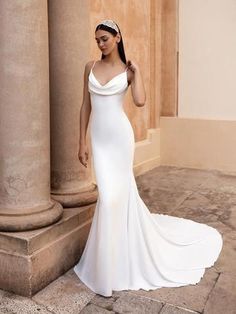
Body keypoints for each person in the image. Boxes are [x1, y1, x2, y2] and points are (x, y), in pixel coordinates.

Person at [73, 19, 223, 298]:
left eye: (105, 38)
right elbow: (85, 105)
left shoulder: (128, 70)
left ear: (117, 37)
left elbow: (140, 101)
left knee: (113, 198)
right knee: (109, 197)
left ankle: (115, 262)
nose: (100, 44)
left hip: (120, 139)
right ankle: (108, 261)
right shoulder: (89, 67)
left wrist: (137, 72)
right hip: (100, 140)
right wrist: (81, 141)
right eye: (97, 40)